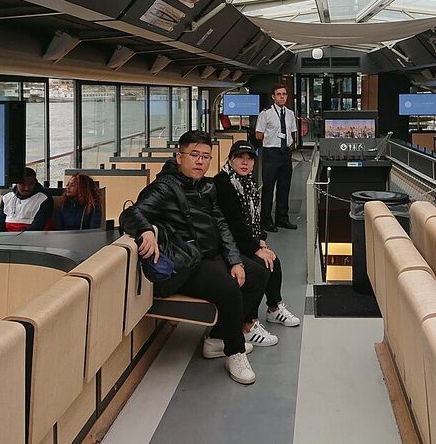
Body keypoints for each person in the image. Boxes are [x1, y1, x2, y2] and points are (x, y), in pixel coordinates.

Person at [120, 131, 269, 385]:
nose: (200, 161)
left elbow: (221, 225)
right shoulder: (164, 188)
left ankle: (217, 338)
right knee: (229, 288)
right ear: (179, 157)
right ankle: (234, 352)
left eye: (206, 156)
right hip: (186, 263)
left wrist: (235, 260)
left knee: (259, 274)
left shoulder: (207, 186)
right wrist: (146, 230)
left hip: (211, 255)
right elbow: (131, 213)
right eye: (194, 155)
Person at [214, 140, 301, 347]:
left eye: (249, 159)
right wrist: (255, 249)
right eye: (240, 158)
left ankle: (274, 308)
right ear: (230, 159)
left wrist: (261, 241)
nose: (245, 163)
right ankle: (247, 324)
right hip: (227, 244)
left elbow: (254, 218)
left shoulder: (248, 182)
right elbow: (234, 224)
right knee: (261, 268)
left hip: (244, 240)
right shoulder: (224, 183)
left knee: (273, 260)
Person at [256, 85, 297, 231]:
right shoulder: (265, 114)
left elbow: (293, 132)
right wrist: (271, 140)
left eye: (284, 94)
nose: (282, 97)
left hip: (285, 152)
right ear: (273, 96)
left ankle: (282, 218)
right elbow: (259, 135)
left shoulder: (290, 114)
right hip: (271, 153)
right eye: (279, 94)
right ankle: (266, 220)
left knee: (284, 187)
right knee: (268, 188)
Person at [0, 167, 53, 232]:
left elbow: (38, 226)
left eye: (31, 184)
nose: (27, 188)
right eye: (23, 184)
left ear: (35, 182)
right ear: (16, 183)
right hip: (7, 235)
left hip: (31, 236)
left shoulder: (44, 199)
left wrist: (17, 236)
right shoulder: (7, 198)